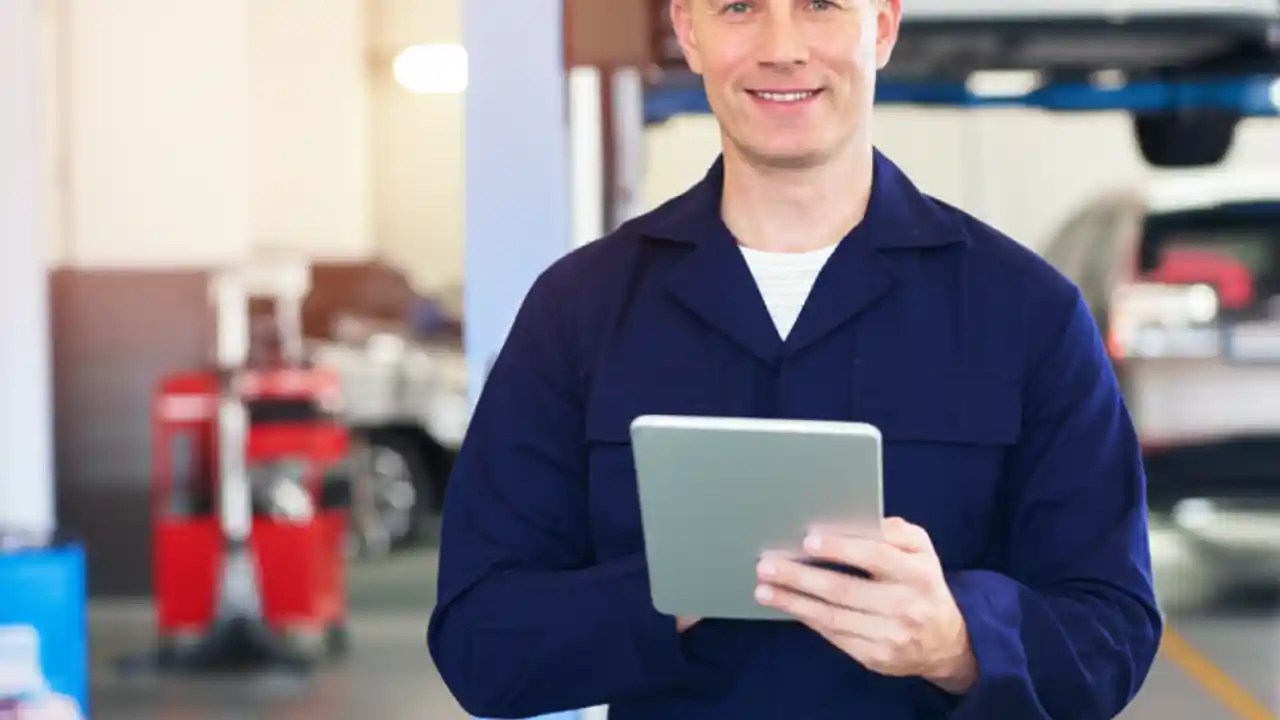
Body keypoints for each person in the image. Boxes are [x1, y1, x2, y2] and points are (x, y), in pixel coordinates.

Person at [428, 0, 1163, 717]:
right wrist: (674, 591)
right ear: (689, 30)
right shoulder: (580, 310)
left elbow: (1113, 631)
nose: (782, 45)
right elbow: (480, 640)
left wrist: (960, 641)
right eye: (740, 8)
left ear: (881, 26)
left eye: (819, 5)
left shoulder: (1027, 312)